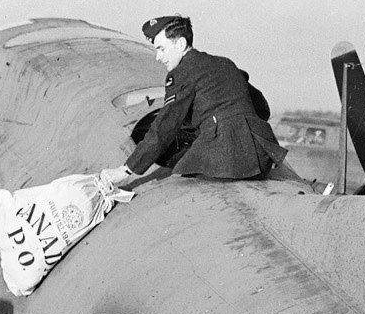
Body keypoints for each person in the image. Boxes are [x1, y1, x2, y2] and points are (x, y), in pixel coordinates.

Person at [98, 15, 300, 189]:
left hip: (228, 162)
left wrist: (126, 170)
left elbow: (165, 126)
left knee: (175, 165)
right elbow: (261, 106)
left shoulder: (181, 74)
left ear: (180, 44)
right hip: (261, 157)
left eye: (161, 49)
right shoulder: (225, 63)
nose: (158, 57)